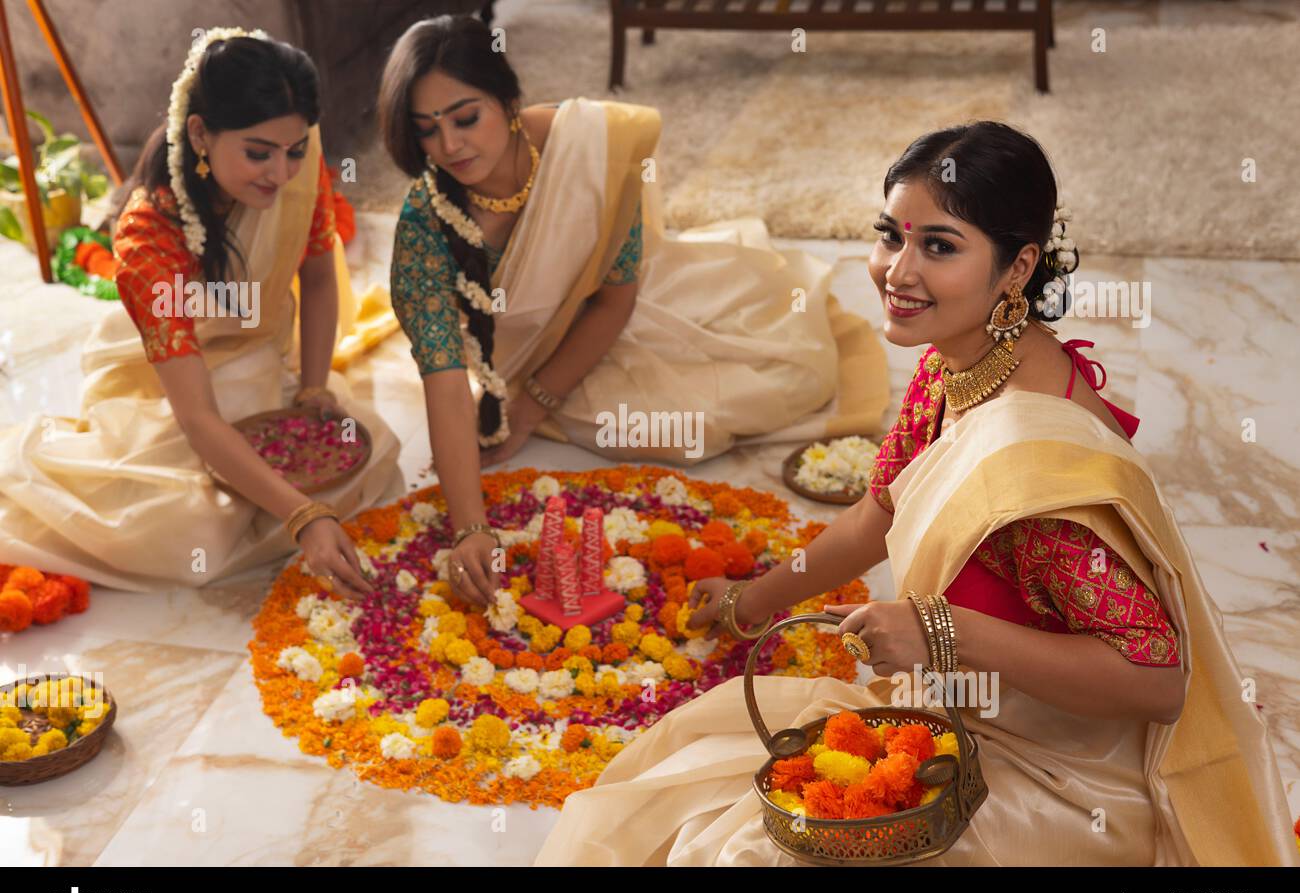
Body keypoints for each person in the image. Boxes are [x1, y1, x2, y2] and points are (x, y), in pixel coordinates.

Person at [534, 122, 1297, 866]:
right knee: (681, 784)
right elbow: (878, 515)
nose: (897, 271)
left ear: (1016, 267)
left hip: (1061, 771)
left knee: (744, 848)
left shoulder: (1035, 457)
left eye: (938, 246)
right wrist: (751, 599)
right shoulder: (955, 365)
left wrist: (939, 630)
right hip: (963, 712)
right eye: (890, 235)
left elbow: (1158, 679)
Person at [375, 15, 892, 608]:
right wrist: (470, 526)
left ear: (508, 100)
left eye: (466, 118)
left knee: (787, 372)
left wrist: (529, 408)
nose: (450, 146)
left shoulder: (591, 146)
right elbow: (442, 375)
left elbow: (617, 297)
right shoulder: (425, 225)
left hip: (629, 306)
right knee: (640, 428)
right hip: (523, 350)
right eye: (426, 131)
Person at [0, 29, 401, 595]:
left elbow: (316, 276)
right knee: (196, 525)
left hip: (260, 356)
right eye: (258, 153)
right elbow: (198, 417)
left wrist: (313, 388)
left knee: (371, 447)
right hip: (166, 378)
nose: (281, 174)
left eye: (293, 151)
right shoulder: (147, 235)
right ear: (200, 134)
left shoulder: (297, 164)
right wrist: (303, 516)